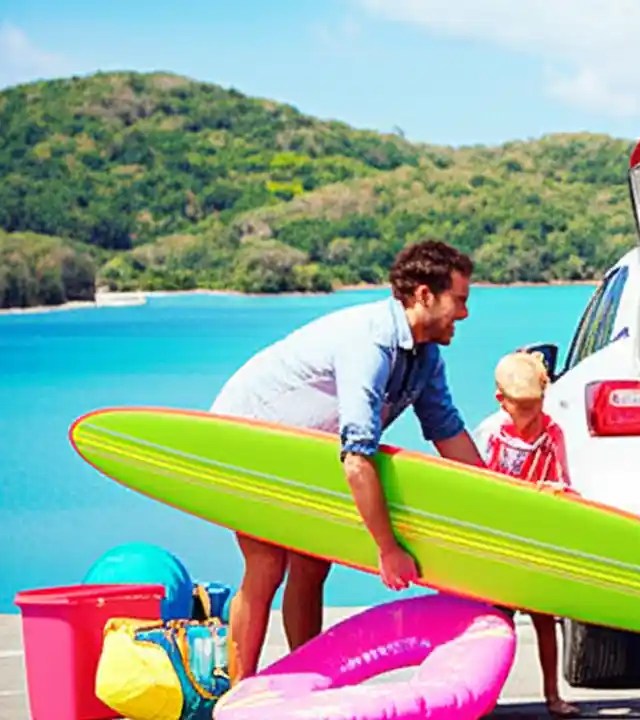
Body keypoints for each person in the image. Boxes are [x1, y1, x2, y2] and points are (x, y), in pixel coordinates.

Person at [210, 239, 485, 683]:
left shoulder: (427, 355)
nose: (465, 314)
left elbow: (446, 430)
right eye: (460, 300)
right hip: (247, 437)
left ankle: (302, 686)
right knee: (265, 567)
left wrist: (495, 496)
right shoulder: (370, 342)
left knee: (314, 563)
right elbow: (357, 456)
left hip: (304, 449)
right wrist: (388, 549)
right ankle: (238, 696)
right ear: (423, 295)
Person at [475, 350, 580, 718]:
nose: (529, 415)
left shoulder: (552, 432)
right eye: (520, 407)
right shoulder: (491, 432)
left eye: (535, 405)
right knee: (495, 624)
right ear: (500, 399)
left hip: (537, 539)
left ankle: (553, 694)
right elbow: (475, 484)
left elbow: (565, 482)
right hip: (500, 542)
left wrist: (558, 492)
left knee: (544, 621)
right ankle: (485, 696)